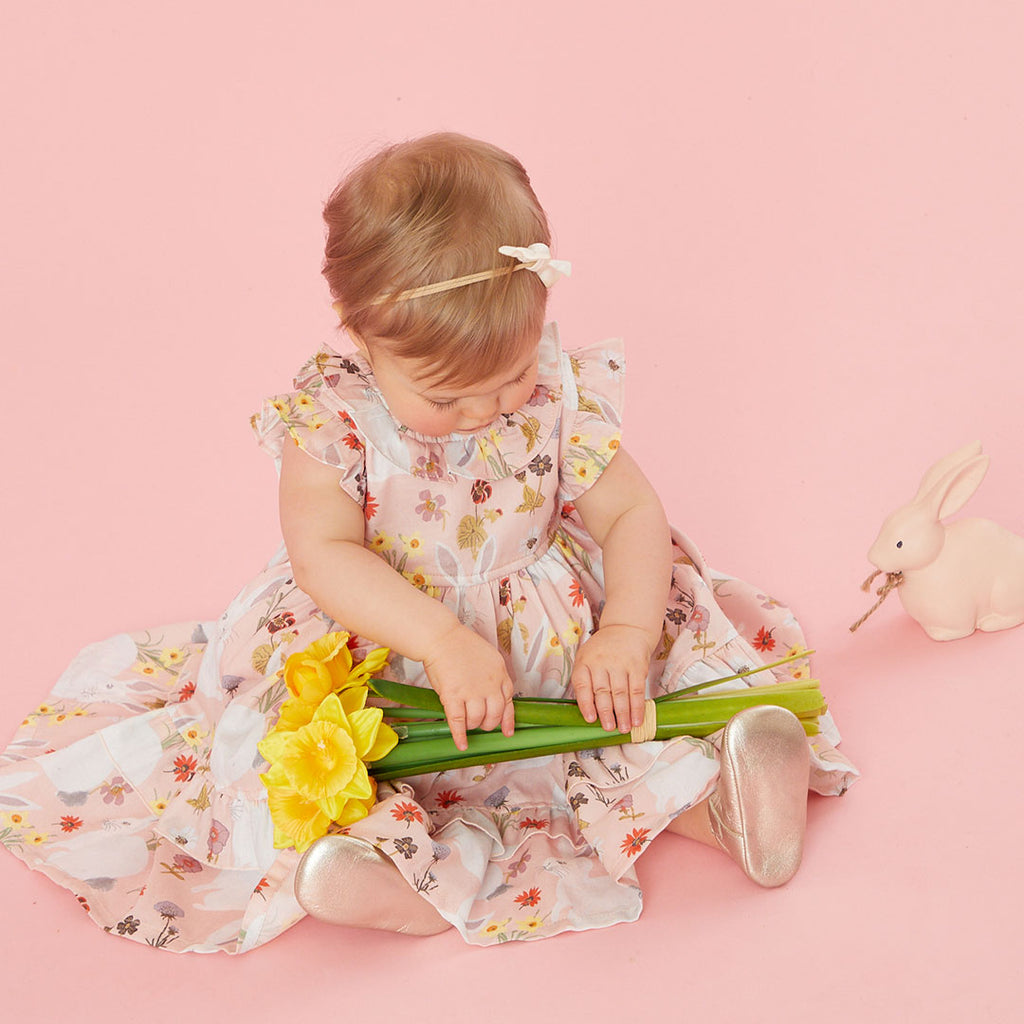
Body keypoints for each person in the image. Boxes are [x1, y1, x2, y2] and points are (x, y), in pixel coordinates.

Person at [0, 133, 857, 953]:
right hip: (393, 651)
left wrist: (626, 633)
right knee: (315, 760)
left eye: (511, 378)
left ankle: (728, 808)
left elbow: (632, 515)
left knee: (618, 726)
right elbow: (325, 554)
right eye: (448, 400)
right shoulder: (332, 422)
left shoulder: (557, 396)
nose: (487, 412)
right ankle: (391, 873)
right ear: (357, 329)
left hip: (559, 653)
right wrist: (442, 639)